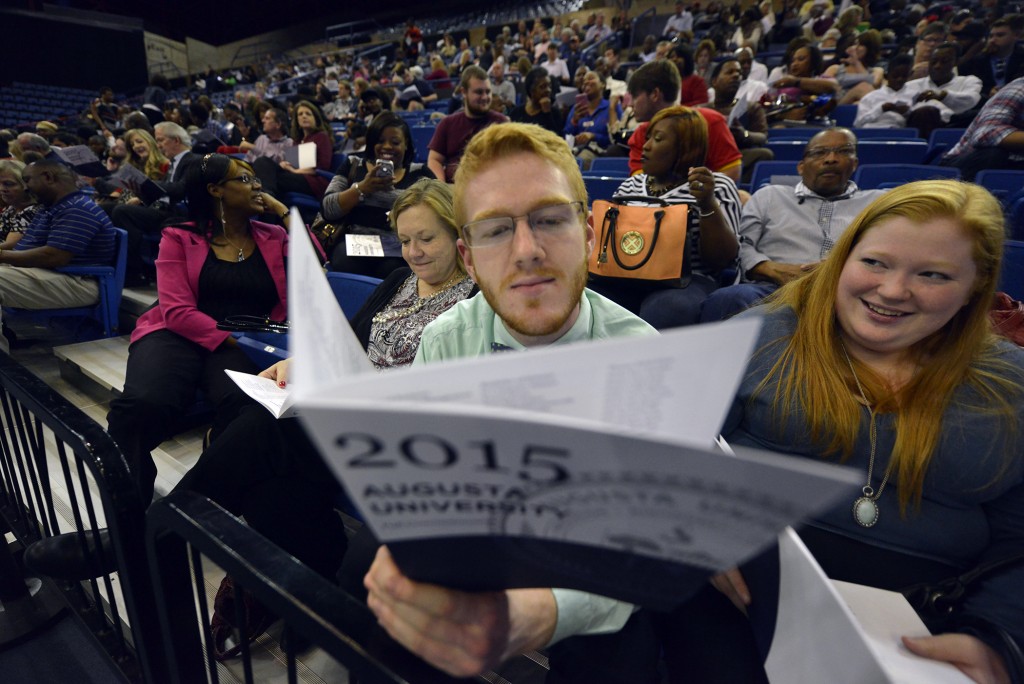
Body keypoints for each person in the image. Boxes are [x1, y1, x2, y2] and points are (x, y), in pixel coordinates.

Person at [357, 122, 656, 678]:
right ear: (468, 259)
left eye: (548, 219)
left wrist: (548, 610)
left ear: (589, 234)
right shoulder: (446, 339)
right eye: (496, 230)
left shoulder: (643, 358)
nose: (527, 251)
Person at [713, 180, 1024, 684]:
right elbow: (678, 468)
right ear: (844, 256)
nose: (893, 290)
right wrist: (704, 541)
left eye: (933, 274)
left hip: (931, 621)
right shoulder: (757, 337)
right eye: (875, 262)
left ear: (975, 286)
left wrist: (998, 638)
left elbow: (1018, 543)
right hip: (739, 593)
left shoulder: (1012, 387)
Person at [106, 154, 290, 508]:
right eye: (246, 179)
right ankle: (127, 510)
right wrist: (235, 339)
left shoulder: (274, 234)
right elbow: (176, 311)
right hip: (176, 333)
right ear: (216, 190)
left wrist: (282, 210)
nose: (257, 186)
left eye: (257, 180)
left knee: (244, 406)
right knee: (142, 405)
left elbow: (314, 265)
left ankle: (192, 508)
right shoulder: (179, 235)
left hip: (244, 339)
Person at [701, 128, 886, 323]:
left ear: (854, 163)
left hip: (845, 291)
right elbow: (742, 244)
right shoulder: (769, 196)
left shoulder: (876, 203)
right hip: (774, 289)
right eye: (819, 152)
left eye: (843, 151)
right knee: (728, 299)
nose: (831, 158)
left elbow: (888, 253)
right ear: (801, 166)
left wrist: (840, 268)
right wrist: (771, 269)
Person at [592, 106, 741, 329]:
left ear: (685, 148)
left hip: (686, 281)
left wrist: (707, 203)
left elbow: (721, 261)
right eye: (648, 137)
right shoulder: (630, 185)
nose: (647, 146)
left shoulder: (715, 185)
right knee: (588, 299)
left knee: (667, 308)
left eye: (658, 139)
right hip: (623, 275)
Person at [0, 159, 116, 353]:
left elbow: (54, 256)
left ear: (48, 177)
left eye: (27, 180)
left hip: (79, 282)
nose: (26, 188)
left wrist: (2, 255)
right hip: (55, 275)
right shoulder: (53, 206)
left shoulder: (77, 208)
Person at [320, 111, 435, 277]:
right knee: (345, 263)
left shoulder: (420, 173)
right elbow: (327, 210)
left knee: (396, 271)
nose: (387, 146)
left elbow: (440, 211)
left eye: (395, 142)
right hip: (355, 245)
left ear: (406, 144)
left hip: (399, 247)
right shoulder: (353, 164)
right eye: (380, 141)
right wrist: (362, 188)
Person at [111, 121, 202, 286]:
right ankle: (133, 269)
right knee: (121, 209)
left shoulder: (193, 160)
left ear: (175, 140)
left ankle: (134, 271)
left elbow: (181, 189)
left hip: (179, 213)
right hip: (167, 210)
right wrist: (141, 192)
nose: (158, 145)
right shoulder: (174, 162)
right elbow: (165, 193)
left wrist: (148, 184)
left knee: (122, 212)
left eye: (160, 140)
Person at [626, 60, 743, 182]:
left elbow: (732, 173)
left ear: (655, 94)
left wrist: (699, 197)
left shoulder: (710, 121)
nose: (630, 104)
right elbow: (639, 185)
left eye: (634, 96)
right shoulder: (639, 135)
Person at [427, 66, 508, 183]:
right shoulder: (447, 124)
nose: (485, 97)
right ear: (464, 92)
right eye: (479, 92)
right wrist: (442, 188)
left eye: (488, 92)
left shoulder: (501, 123)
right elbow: (435, 159)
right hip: (453, 192)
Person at [702, 59, 772, 183]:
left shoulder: (751, 107)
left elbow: (762, 137)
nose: (736, 75)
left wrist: (744, 134)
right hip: (707, 155)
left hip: (738, 153)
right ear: (714, 81)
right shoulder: (701, 109)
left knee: (764, 154)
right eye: (729, 72)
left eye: (739, 73)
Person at [942, 75, 1024, 180]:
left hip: (1015, 164)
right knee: (993, 154)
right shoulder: (1019, 88)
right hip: (966, 164)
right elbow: (986, 133)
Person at [252, 100, 332, 200]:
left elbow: (321, 169)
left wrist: (294, 170)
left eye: (308, 114)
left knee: (270, 178)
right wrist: (284, 164)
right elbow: (294, 164)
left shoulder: (321, 137)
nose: (304, 116)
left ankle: (267, 200)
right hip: (294, 176)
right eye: (300, 114)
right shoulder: (297, 141)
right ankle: (268, 200)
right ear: (297, 120)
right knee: (262, 161)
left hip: (312, 182)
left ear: (315, 118)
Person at [903, 42, 982, 138]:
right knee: (924, 112)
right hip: (918, 126)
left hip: (954, 126)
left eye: (944, 61)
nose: (937, 66)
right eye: (933, 62)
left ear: (956, 62)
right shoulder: (911, 85)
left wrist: (942, 96)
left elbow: (971, 100)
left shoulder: (968, 81)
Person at [564, 70, 622, 168]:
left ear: (603, 84)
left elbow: (618, 139)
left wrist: (593, 136)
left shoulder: (611, 107)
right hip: (576, 151)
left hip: (602, 153)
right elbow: (566, 136)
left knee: (580, 161)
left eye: (591, 78)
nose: (586, 82)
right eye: (584, 81)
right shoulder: (577, 108)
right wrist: (574, 122)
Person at [769, 44, 840, 120]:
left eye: (801, 59)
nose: (794, 64)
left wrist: (796, 82)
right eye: (793, 61)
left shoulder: (824, 79)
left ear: (814, 61)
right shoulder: (783, 84)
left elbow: (833, 87)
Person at [961, 18, 1024, 99]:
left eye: (1000, 35)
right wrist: (988, 91)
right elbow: (969, 86)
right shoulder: (978, 60)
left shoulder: (1021, 57)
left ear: (1016, 36)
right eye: (991, 36)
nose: (992, 40)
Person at [822, 29, 885, 104]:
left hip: (863, 107)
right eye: (855, 44)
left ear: (870, 49)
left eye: (860, 45)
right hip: (837, 105)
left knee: (863, 90)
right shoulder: (835, 69)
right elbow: (823, 88)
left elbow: (872, 84)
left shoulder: (876, 71)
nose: (855, 47)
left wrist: (856, 62)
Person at [853, 54, 915, 128]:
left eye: (904, 76)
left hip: (900, 132)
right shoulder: (870, 97)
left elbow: (918, 123)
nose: (899, 79)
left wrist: (907, 113)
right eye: (895, 76)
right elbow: (858, 124)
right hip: (873, 132)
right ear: (886, 76)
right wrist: (880, 109)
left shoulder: (914, 95)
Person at [509, 67, 564, 135]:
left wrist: (547, 114)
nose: (548, 90)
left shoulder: (555, 113)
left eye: (549, 86)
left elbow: (558, 141)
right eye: (542, 87)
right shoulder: (516, 113)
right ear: (531, 91)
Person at [0, 160, 41, 247]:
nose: (2, 189)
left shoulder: (31, 212)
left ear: (26, 185)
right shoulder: (11, 208)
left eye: (8, 184)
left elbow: (7, 247)